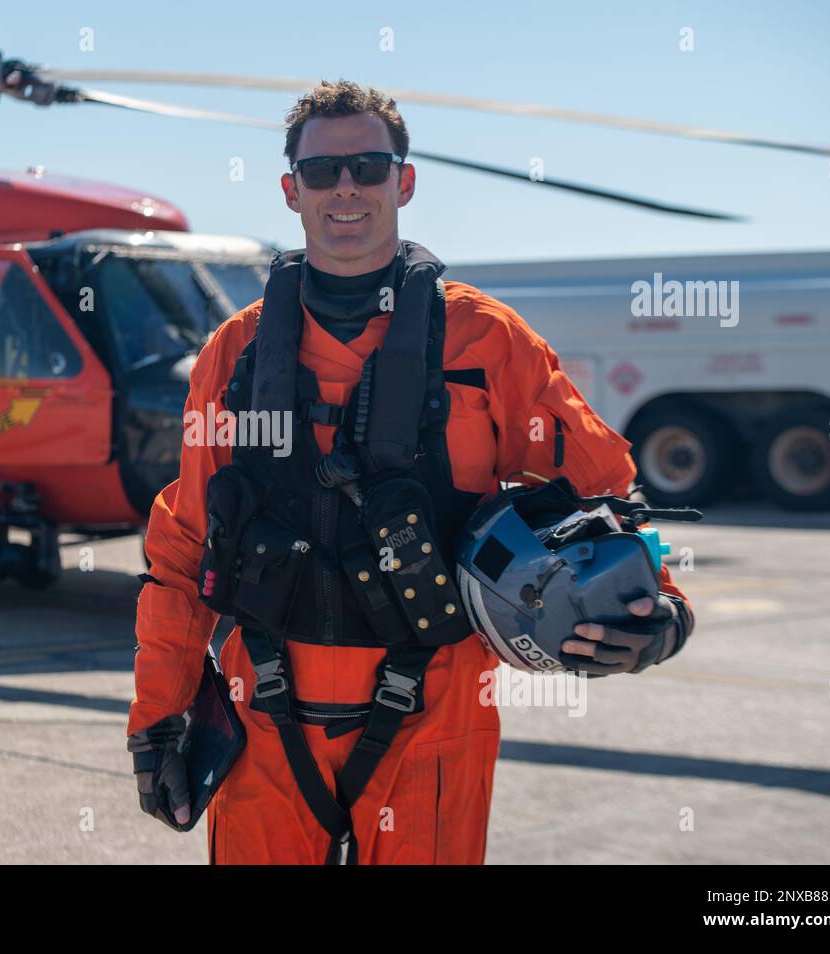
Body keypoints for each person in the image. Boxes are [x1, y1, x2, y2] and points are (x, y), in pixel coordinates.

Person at [127, 80, 694, 865]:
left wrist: (664, 608)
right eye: (323, 173)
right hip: (266, 713)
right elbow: (185, 544)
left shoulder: (487, 341)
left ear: (406, 180)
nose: (347, 189)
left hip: (436, 713)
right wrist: (157, 716)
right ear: (291, 191)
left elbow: (611, 497)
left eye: (368, 166)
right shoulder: (236, 353)